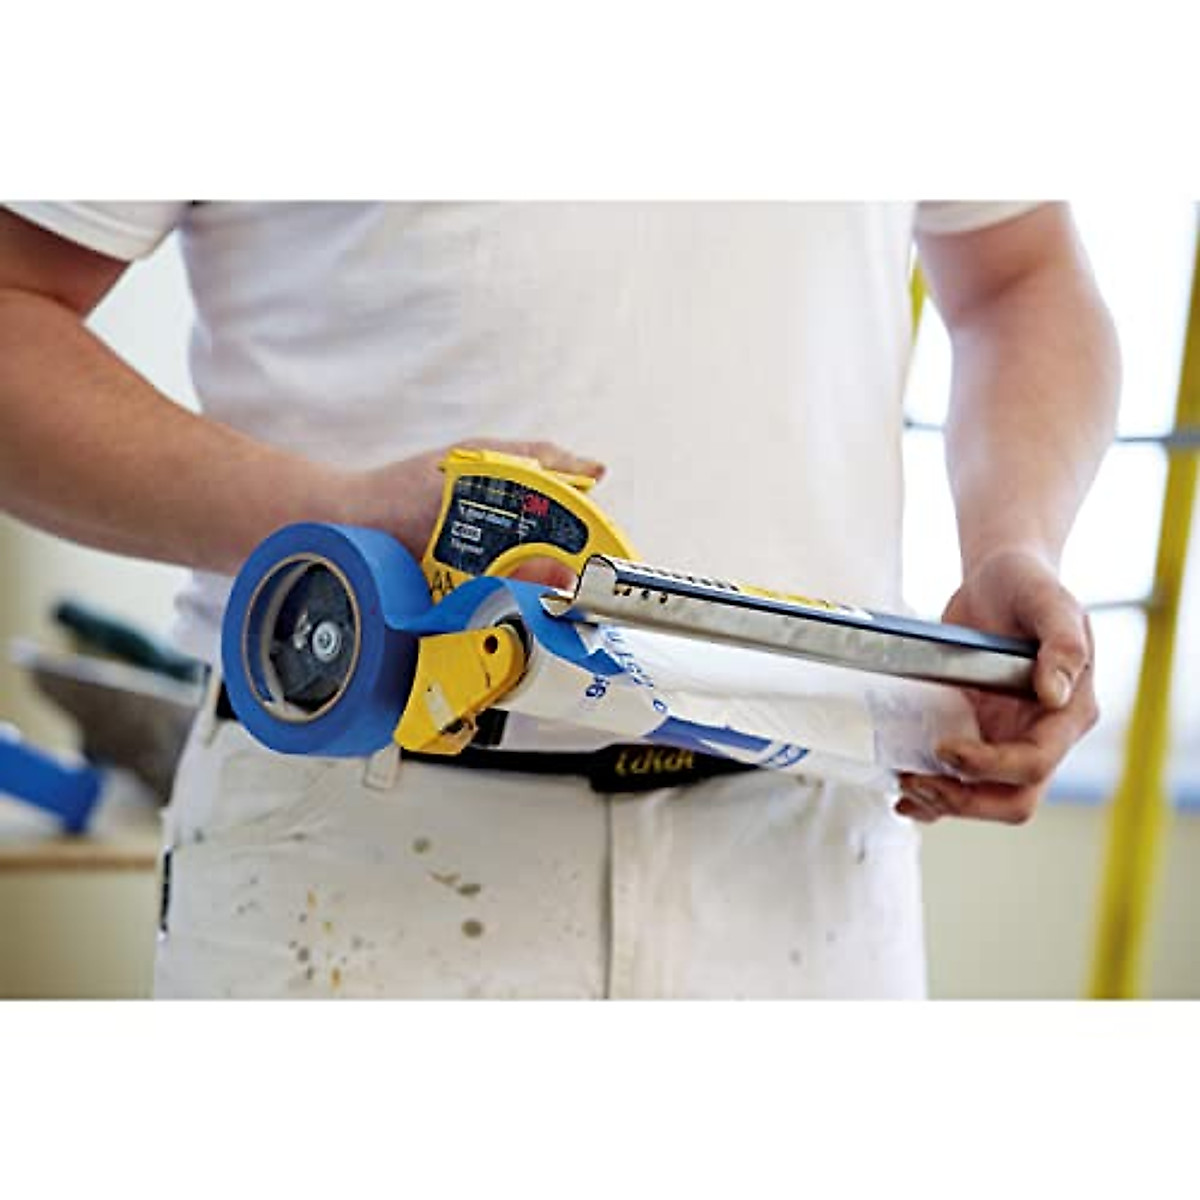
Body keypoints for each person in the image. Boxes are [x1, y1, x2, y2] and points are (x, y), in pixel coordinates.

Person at [0, 202, 1117, 998]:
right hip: (353, 846)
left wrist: (1015, 540)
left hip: (812, 862)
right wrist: (335, 517)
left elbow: (1020, 278)